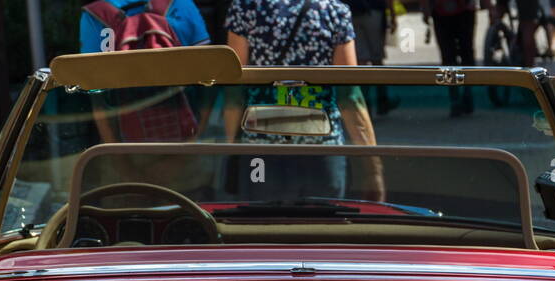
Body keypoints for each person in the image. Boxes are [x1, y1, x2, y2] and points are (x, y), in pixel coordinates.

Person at [225, 0, 386, 201]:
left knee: (261, 227)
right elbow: (349, 96)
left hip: (261, 148)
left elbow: (234, 88)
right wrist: (372, 171)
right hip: (321, 147)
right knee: (321, 227)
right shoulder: (334, 12)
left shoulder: (246, 8)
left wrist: (231, 149)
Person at [79, 0, 211, 53]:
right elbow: (208, 74)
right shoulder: (180, 4)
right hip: (180, 109)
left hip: (123, 109)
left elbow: (93, 83)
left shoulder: (94, 15)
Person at [421, 0, 477, 116]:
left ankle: (464, 93)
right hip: (443, 11)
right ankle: (457, 95)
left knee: (460, 54)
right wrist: (426, 8)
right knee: (452, 56)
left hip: (462, 9)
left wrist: (425, 9)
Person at [347, 0, 400, 114]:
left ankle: (365, 103)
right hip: (374, 11)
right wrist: (392, 14)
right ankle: (382, 100)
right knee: (376, 59)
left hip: (352, 11)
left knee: (361, 60)